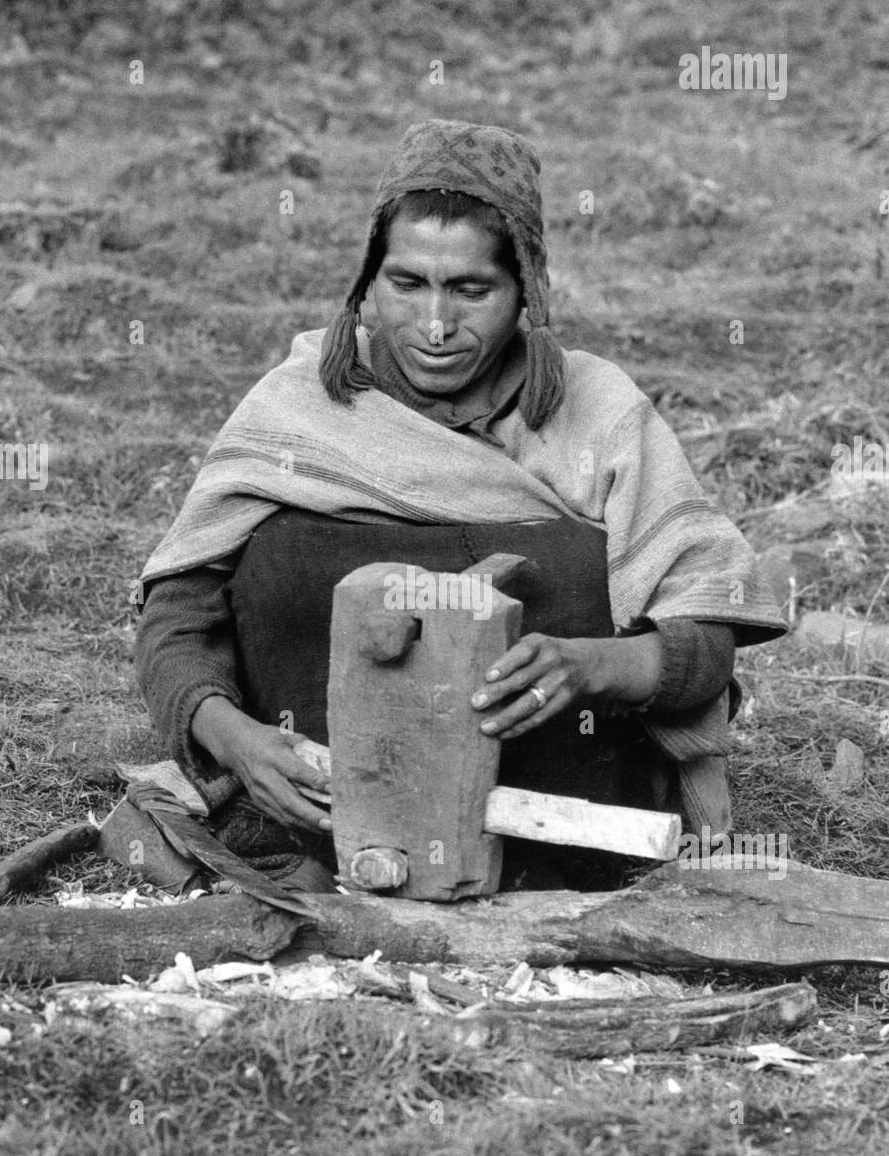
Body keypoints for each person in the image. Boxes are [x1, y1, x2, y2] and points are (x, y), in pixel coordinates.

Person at [133, 119, 785, 888]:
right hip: (310, 820)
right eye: (407, 284)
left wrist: (590, 667)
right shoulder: (297, 409)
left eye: (471, 290)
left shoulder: (598, 415)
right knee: (281, 559)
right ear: (366, 284)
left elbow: (703, 641)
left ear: (525, 293)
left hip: (557, 825)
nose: (436, 326)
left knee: (575, 573)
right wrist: (234, 738)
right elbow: (177, 614)